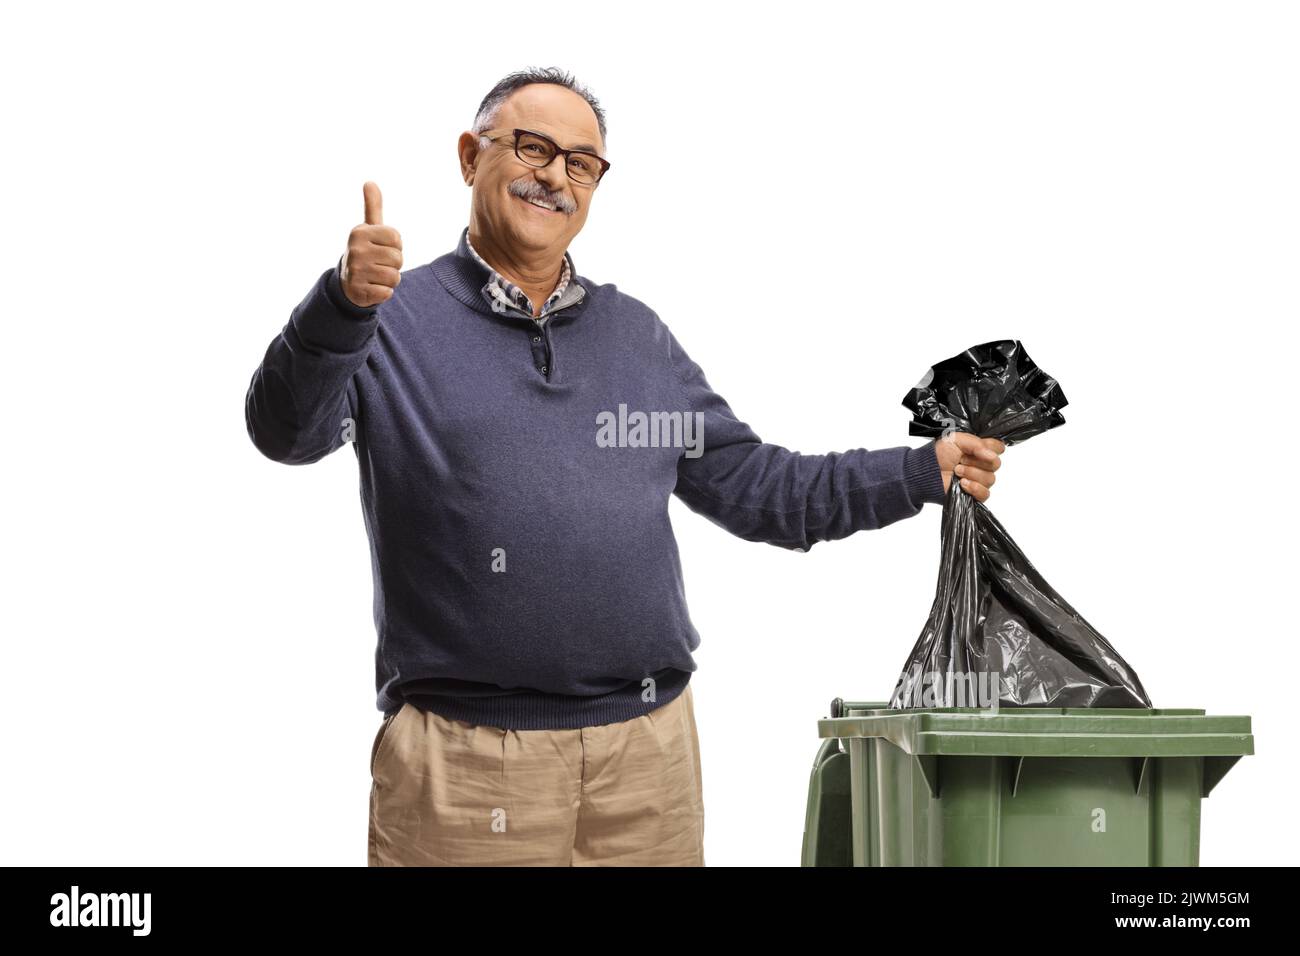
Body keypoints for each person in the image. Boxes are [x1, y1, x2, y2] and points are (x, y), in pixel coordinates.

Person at [243, 67, 1005, 866]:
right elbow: (284, 432)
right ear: (471, 157)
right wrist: (343, 304)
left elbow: (763, 493)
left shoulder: (636, 339)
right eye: (531, 148)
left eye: (581, 163)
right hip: (466, 771)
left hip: (648, 763)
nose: (554, 177)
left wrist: (925, 471)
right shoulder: (390, 319)